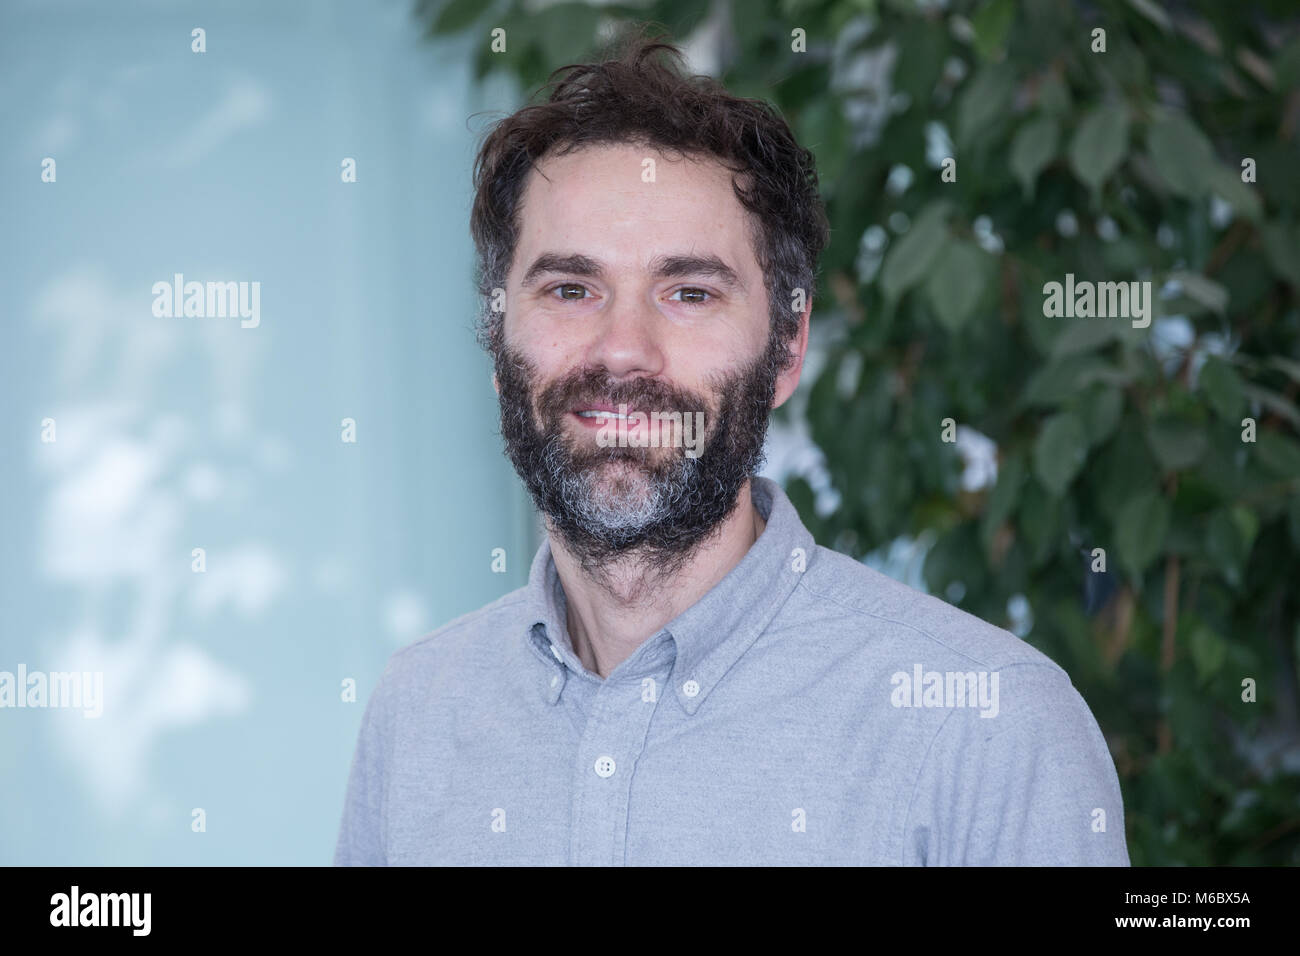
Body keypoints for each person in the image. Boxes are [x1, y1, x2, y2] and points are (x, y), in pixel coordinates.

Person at [333, 30, 1130, 866]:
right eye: (571, 289)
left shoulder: (989, 725)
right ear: (499, 348)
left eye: (689, 292)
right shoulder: (416, 710)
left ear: (786, 350)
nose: (622, 349)